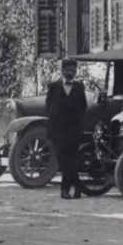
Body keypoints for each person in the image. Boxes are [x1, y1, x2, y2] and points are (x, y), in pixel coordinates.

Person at [46, 59, 88, 200]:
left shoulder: (79, 87)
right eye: (67, 70)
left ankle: (65, 190)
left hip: (74, 130)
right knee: (63, 161)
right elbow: (48, 108)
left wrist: (79, 125)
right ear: (62, 71)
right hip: (58, 130)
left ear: (75, 72)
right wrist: (51, 130)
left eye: (72, 71)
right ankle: (77, 186)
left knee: (72, 159)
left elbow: (83, 107)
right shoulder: (53, 87)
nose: (70, 73)